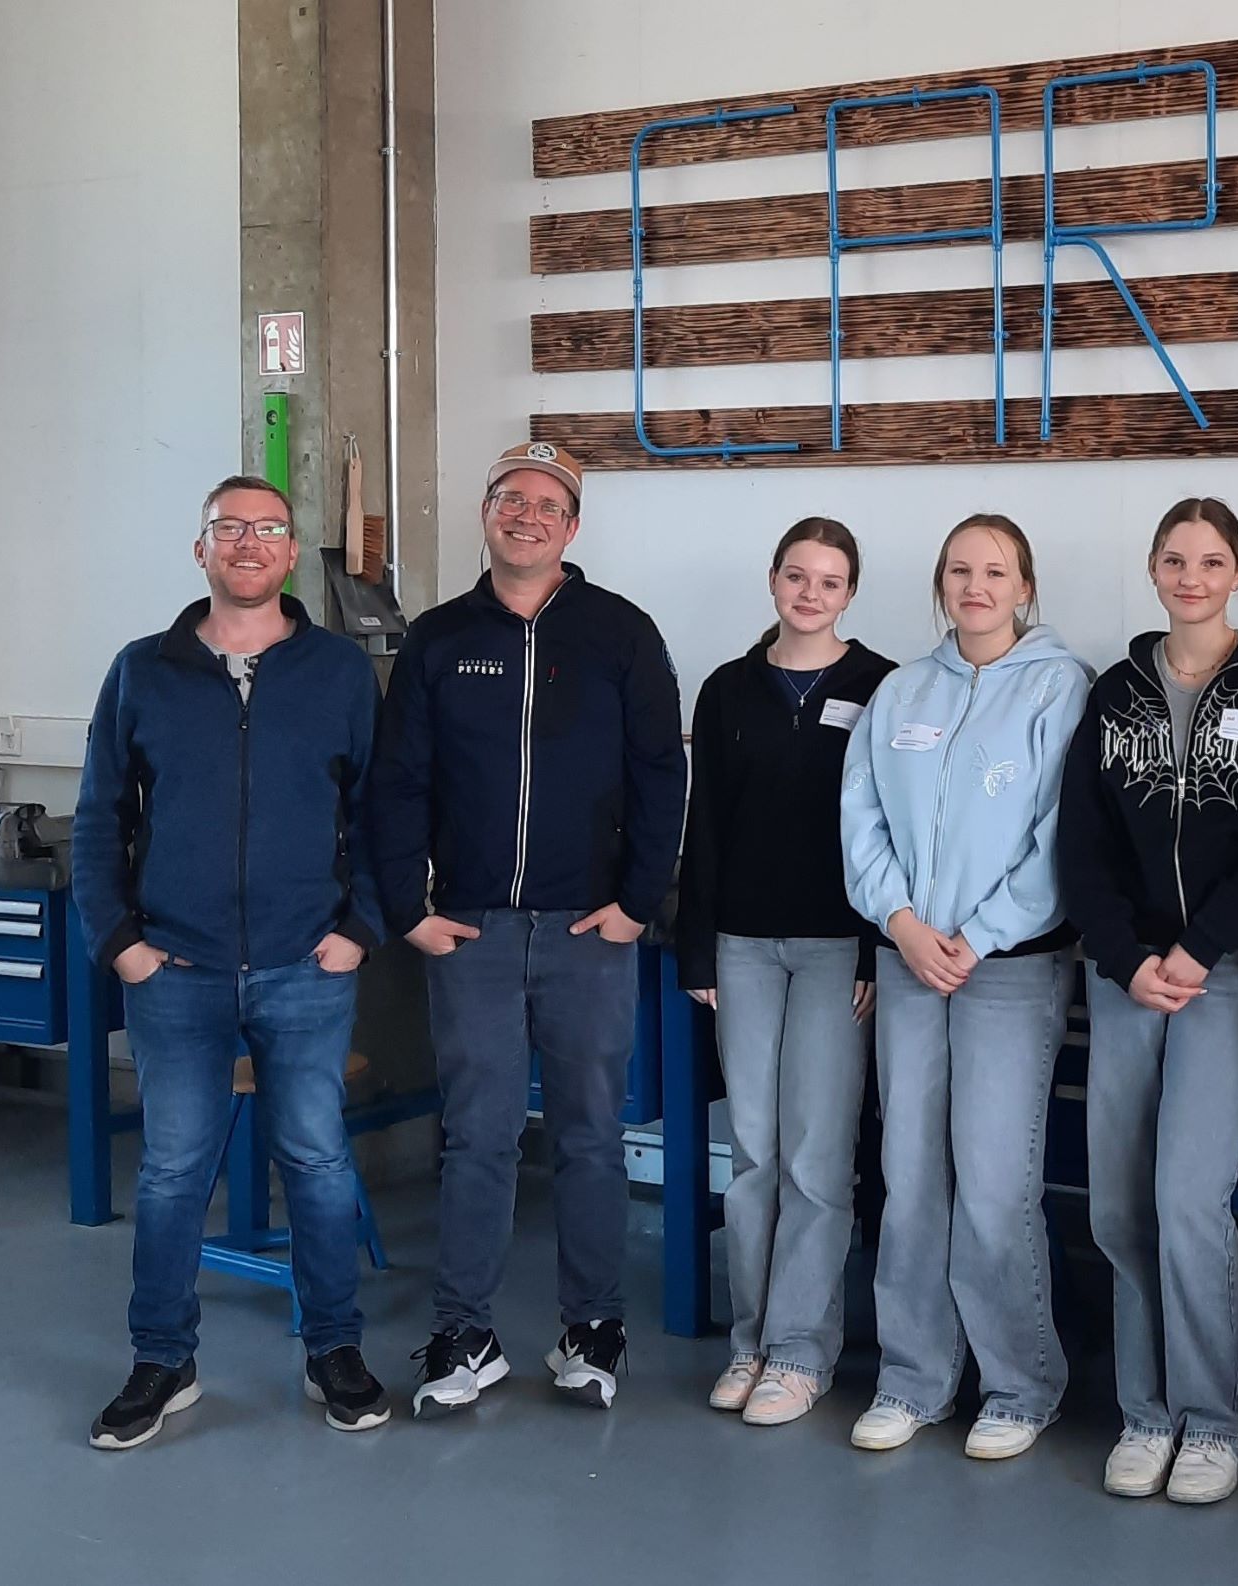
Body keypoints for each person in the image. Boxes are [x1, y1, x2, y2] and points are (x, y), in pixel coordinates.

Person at [73, 475, 389, 1449]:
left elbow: (383, 809)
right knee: (171, 1171)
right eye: (229, 529)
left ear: (293, 553)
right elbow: (97, 818)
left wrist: (359, 925)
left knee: (318, 1161)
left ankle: (332, 1346)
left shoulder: (338, 671)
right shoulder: (142, 669)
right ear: (200, 548)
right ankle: (162, 1359)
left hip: (306, 964)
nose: (248, 544)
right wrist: (120, 943)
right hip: (177, 972)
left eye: (267, 529)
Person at [370, 441, 686, 1417]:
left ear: (572, 525)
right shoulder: (435, 638)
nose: (527, 514)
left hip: (589, 931)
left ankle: (591, 1326)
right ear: (486, 511)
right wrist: (406, 907)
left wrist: (637, 901)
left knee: (591, 1135)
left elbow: (658, 776)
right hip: (469, 932)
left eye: (548, 502)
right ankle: (464, 1332)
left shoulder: (620, 632)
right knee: (479, 1135)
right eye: (512, 497)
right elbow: (397, 782)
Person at [1059, 496, 1238, 1504]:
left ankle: (1211, 1418)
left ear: (1237, 571)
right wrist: (1126, 954)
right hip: (1124, 976)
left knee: (1186, 1202)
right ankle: (1145, 1411)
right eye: (1173, 558)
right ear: (1151, 566)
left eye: (1209, 559)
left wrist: (1193, 943)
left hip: (1215, 979)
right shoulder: (1116, 689)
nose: (1189, 576)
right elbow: (1079, 839)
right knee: (1121, 1204)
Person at [842, 513, 1088, 1460]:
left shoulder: (1062, 691)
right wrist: (902, 925)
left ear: (1026, 586)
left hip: (1007, 973)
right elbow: (860, 821)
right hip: (908, 964)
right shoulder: (901, 692)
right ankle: (912, 1377)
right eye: (959, 570)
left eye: (995, 571)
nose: (975, 586)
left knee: (994, 1187)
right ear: (940, 584)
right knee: (908, 1181)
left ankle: (1020, 1386)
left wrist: (975, 939)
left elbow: (1059, 841)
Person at [677, 517, 893, 1426]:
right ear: (774, 582)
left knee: (816, 1158)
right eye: (797, 577)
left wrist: (878, 947)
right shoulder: (728, 689)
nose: (811, 594)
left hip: (837, 952)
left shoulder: (881, 687)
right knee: (755, 1153)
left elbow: (893, 827)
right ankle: (752, 1342)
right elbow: (708, 828)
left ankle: (804, 1352)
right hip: (742, 949)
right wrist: (699, 948)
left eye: (830, 581)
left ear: (850, 594)